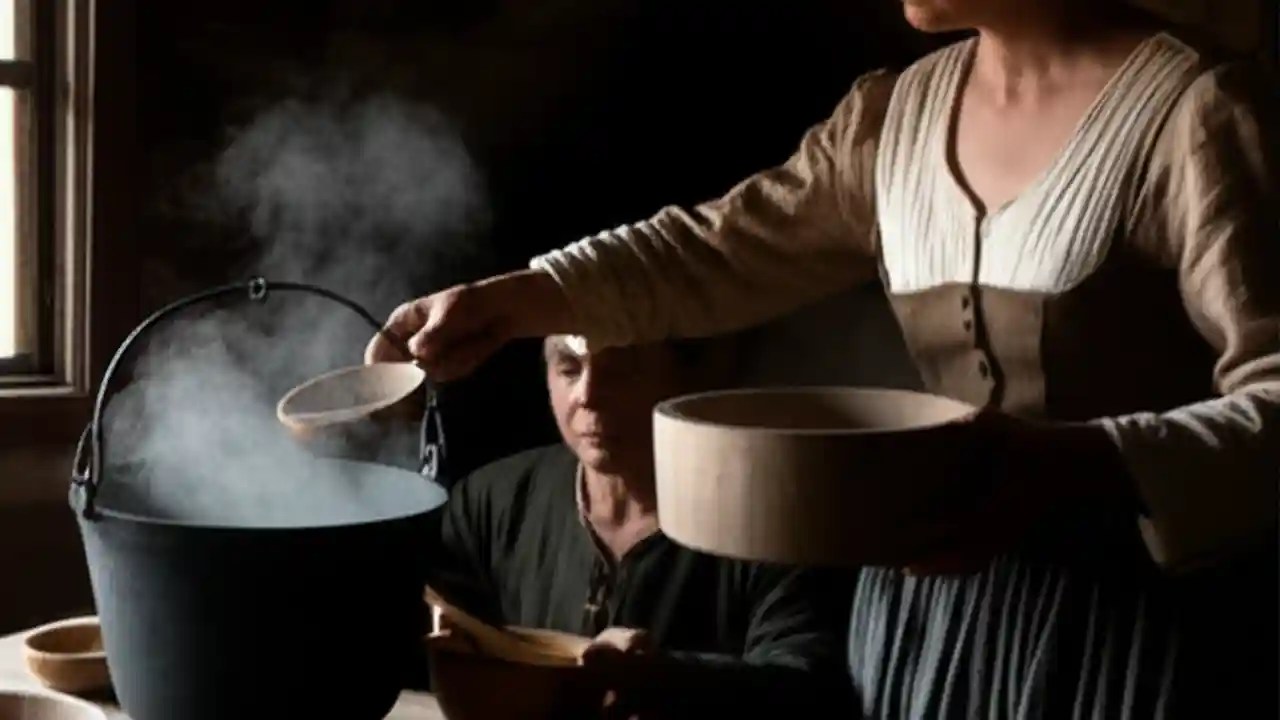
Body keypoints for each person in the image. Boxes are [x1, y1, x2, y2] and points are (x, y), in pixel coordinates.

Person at [371, 0, 1280, 716]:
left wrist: (1073, 466)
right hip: (929, 620)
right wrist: (516, 298)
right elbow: (718, 250)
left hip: (1125, 632)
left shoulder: (1196, 113)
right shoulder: (897, 115)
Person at [422, 334, 858, 718]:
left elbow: (811, 686)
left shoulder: (772, 525)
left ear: (688, 378)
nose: (587, 395)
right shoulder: (490, 500)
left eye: (621, 369)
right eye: (569, 368)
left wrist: (663, 679)